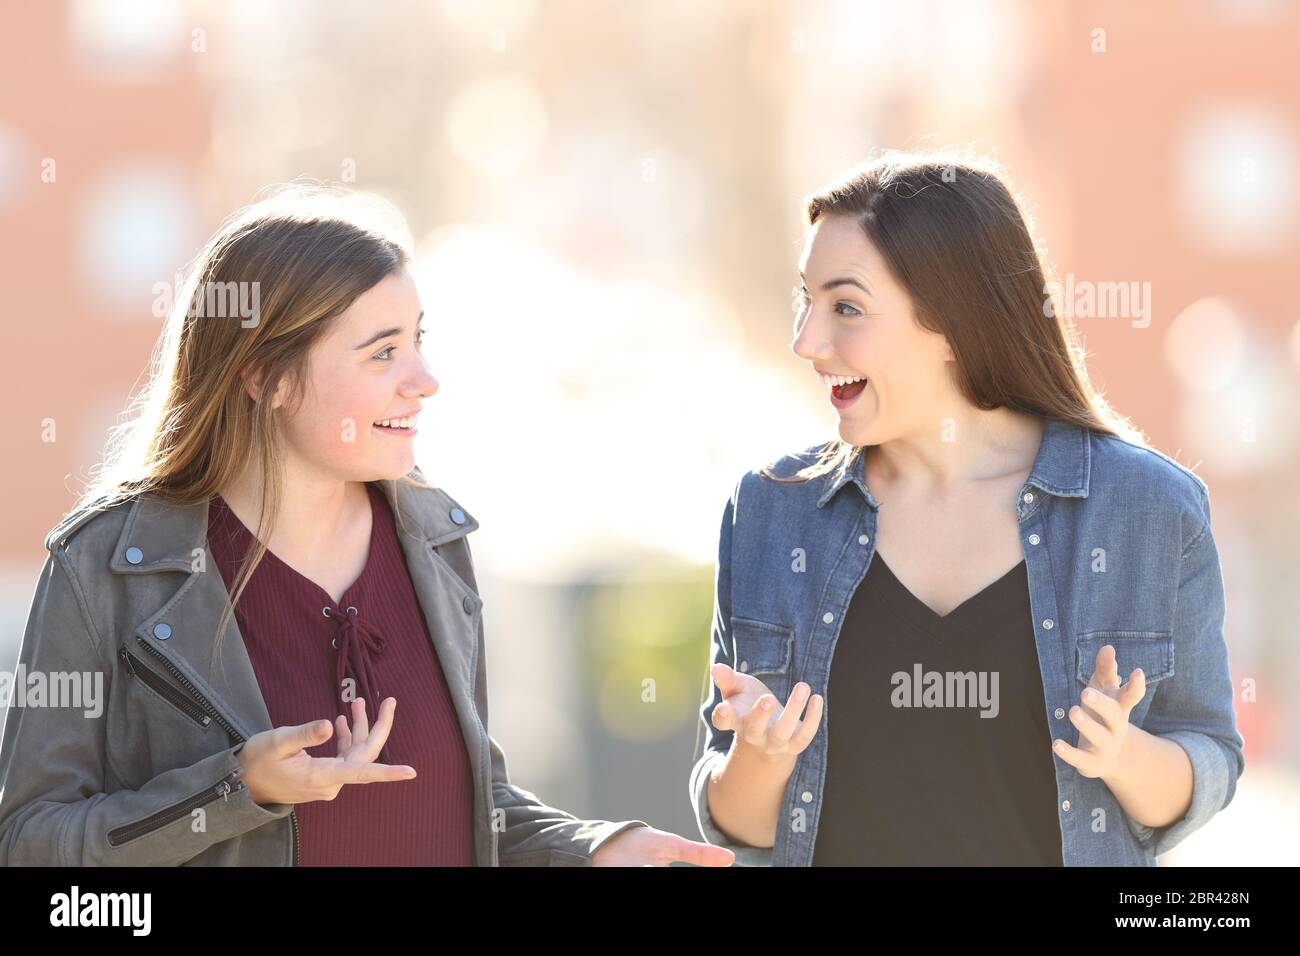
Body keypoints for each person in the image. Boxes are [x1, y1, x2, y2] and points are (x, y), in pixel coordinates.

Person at [0, 185, 733, 867]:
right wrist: (233, 790)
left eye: (418, 341)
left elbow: (475, 808)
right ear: (266, 377)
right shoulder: (110, 566)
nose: (424, 379)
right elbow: (31, 842)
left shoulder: (436, 540)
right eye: (383, 352)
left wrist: (597, 849)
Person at [690, 149, 1245, 866]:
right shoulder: (769, 511)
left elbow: (1210, 756)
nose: (807, 341)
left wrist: (1122, 754)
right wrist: (759, 758)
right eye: (807, 300)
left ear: (953, 321)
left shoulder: (1147, 509)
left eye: (845, 307)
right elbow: (735, 822)